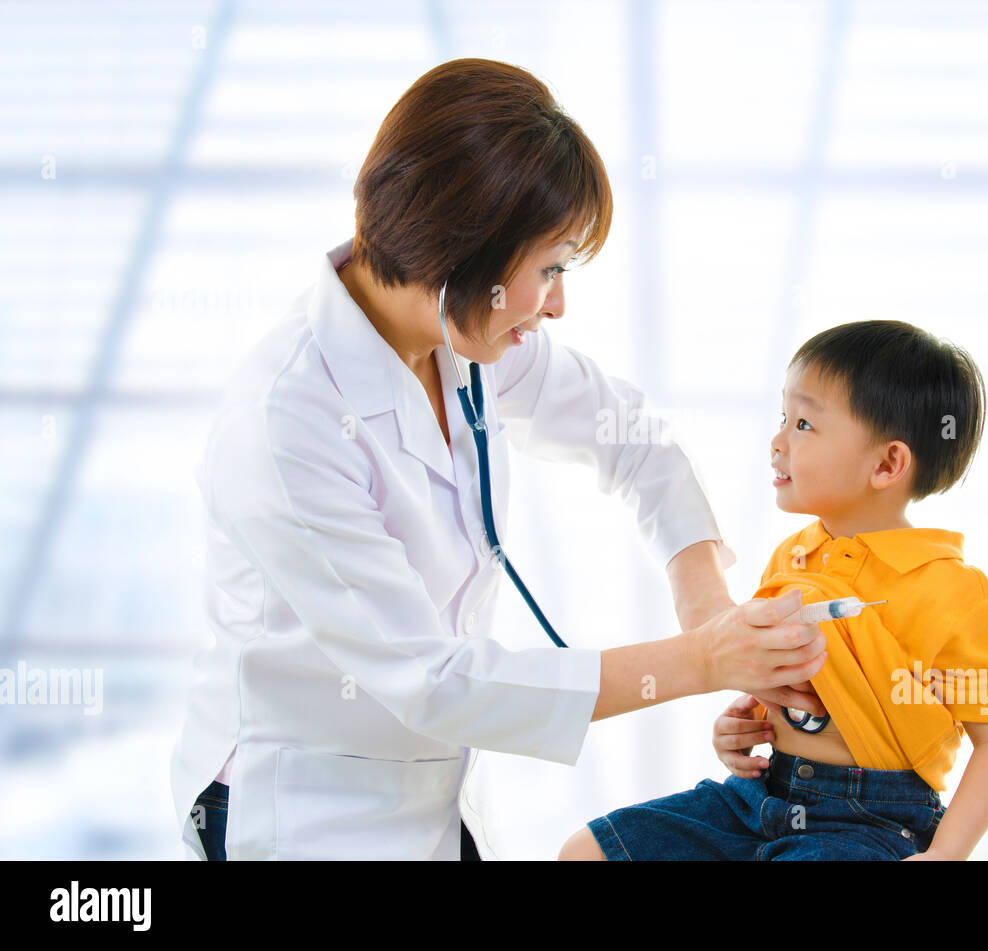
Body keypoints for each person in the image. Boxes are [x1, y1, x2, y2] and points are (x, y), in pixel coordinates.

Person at [169, 58, 827, 861]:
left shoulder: (463, 334)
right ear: (463, 251)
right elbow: (436, 681)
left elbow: (629, 437)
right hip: (305, 807)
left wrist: (706, 608)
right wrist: (701, 660)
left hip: (432, 790)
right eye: (549, 268)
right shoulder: (285, 424)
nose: (557, 304)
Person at [560, 320, 988, 860]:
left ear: (887, 464)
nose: (778, 440)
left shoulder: (955, 595)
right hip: (756, 798)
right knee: (588, 852)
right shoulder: (794, 557)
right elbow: (779, 680)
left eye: (803, 423)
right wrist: (744, 725)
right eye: (784, 417)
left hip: (869, 823)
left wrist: (944, 856)